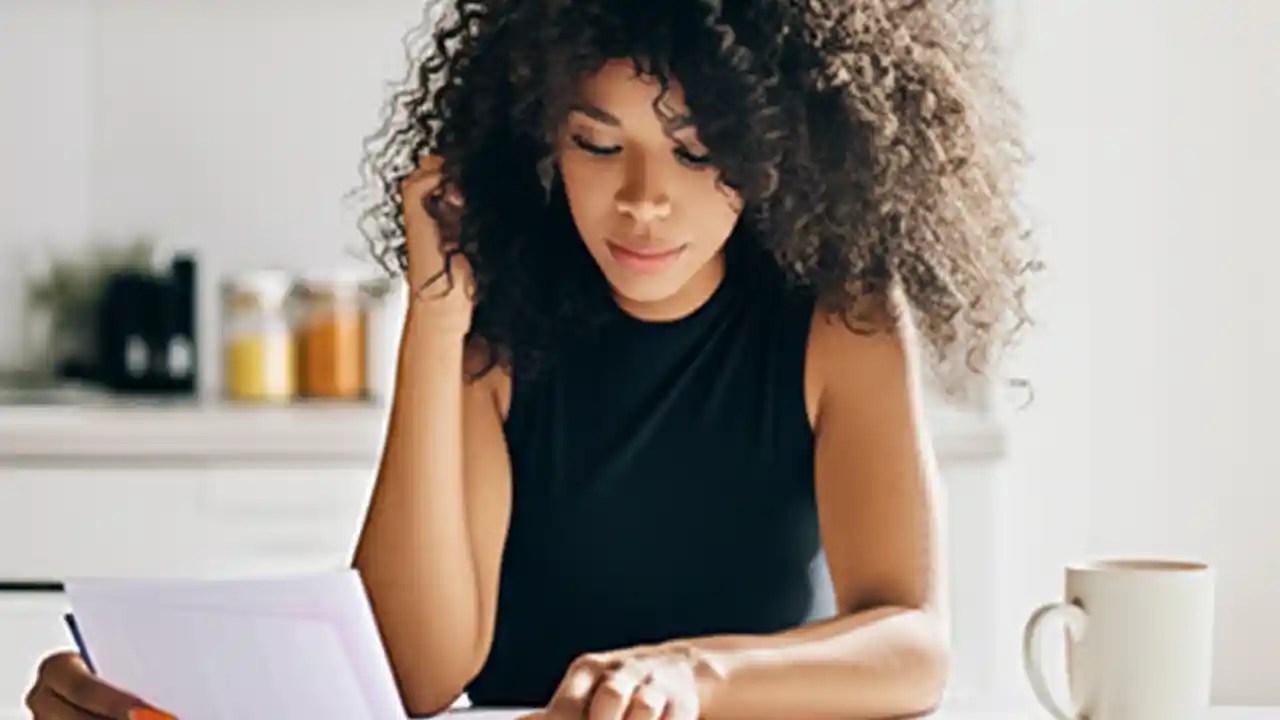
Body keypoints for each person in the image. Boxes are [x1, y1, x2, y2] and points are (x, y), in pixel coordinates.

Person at [26, 1, 1036, 718]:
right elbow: (416, 673)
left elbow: (910, 644)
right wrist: (434, 317)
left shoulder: (836, 321)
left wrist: (689, 677)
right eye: (599, 145)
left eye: (693, 152)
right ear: (543, 143)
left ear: (781, 153)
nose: (642, 199)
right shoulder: (498, 329)